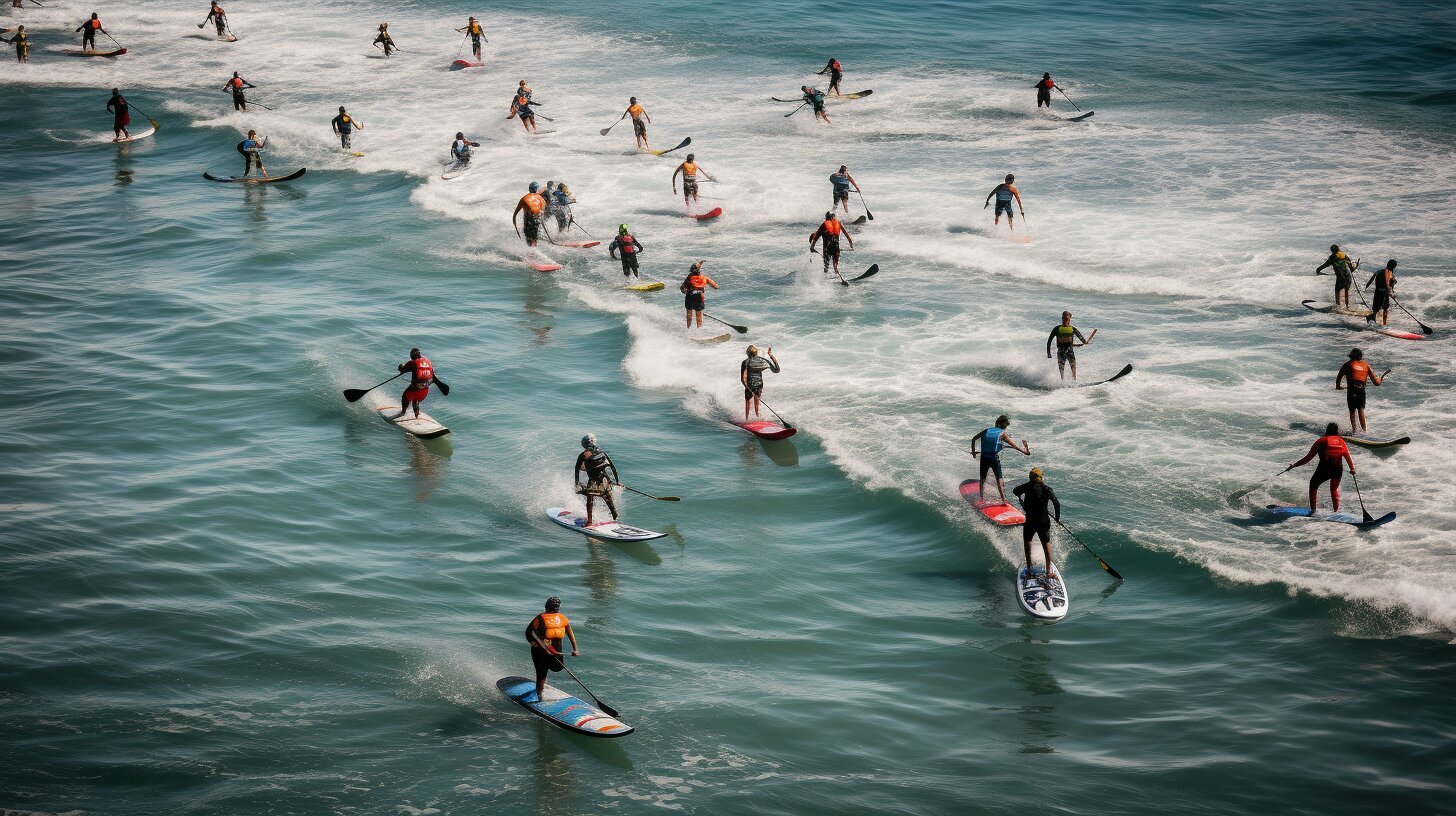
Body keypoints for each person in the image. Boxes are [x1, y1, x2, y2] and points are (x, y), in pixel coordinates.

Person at [1289, 423, 1355, 513]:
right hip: (1337, 470)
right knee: (1334, 490)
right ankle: (1336, 511)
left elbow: (1308, 458)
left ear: (1327, 431)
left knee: (1313, 485)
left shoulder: (1321, 441)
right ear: (1336, 432)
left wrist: (1294, 465)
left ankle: (1313, 511)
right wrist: (1352, 469)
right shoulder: (1341, 441)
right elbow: (1347, 456)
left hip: (1324, 470)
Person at [524, 596, 578, 702]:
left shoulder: (555, 618)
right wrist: (575, 649)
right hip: (542, 650)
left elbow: (570, 632)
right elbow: (529, 632)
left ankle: (541, 687)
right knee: (543, 671)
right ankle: (540, 694)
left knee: (551, 670)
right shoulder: (545, 618)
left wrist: (575, 649)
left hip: (550, 650)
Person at [1013, 469, 1061, 584]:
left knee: (1028, 542)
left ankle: (1029, 571)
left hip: (1031, 520)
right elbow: (1056, 503)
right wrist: (1057, 518)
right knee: (1046, 544)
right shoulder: (1047, 489)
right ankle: (1049, 571)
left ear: (1030, 477)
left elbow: (1015, 491)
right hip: (1044, 520)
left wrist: (1021, 500)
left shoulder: (1027, 486)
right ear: (1041, 478)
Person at [970, 415, 1031, 502]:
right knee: (999, 478)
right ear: (1004, 426)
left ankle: (981, 498)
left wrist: (973, 452)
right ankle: (1003, 500)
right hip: (994, 458)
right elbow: (1014, 446)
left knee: (982, 478)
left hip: (984, 458)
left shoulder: (986, 431)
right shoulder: (1003, 434)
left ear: (996, 423)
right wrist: (1025, 452)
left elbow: (973, 439)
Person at [1336, 348, 1384, 433]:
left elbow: (1339, 377)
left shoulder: (1347, 364)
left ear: (1351, 356)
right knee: (1360, 409)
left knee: (1352, 410)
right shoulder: (1366, 365)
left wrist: (1338, 386)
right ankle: (1364, 431)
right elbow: (1376, 383)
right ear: (1360, 356)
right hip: (1361, 390)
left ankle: (1354, 431)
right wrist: (1381, 378)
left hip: (1352, 389)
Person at [575, 434, 620, 526]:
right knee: (608, 497)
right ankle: (615, 517)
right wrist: (617, 481)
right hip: (604, 479)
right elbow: (612, 467)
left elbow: (577, 470)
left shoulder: (583, 455)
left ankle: (589, 521)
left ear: (584, 444)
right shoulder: (602, 452)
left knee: (590, 499)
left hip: (593, 480)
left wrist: (577, 483)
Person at [388, 348, 435, 421]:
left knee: (405, 397)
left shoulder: (412, 362)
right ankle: (416, 415)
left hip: (414, 390)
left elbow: (402, 369)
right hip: (425, 391)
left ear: (413, 356)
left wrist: (400, 365)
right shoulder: (429, 362)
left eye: (411, 356)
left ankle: (403, 413)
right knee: (415, 399)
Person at [1047, 310, 1092, 381]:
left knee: (1073, 369)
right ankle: (1062, 382)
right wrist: (1048, 353)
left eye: (1067, 319)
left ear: (1069, 320)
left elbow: (1082, 339)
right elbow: (1049, 341)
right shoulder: (1056, 329)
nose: (1066, 320)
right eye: (1064, 319)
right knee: (1062, 371)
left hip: (1070, 352)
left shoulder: (1073, 329)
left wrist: (1085, 342)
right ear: (1062, 319)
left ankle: (1074, 382)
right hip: (1061, 352)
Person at [741, 345, 781, 420]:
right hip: (759, 384)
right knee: (757, 402)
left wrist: (747, 387)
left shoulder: (745, 362)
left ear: (747, 353)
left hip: (749, 385)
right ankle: (757, 417)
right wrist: (771, 356)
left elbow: (743, 378)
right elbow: (777, 370)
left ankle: (747, 419)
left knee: (747, 402)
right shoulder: (762, 360)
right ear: (756, 353)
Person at [1315, 244, 1359, 309]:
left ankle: (1337, 306)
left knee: (1337, 291)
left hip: (1340, 277)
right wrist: (1357, 266)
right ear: (1338, 249)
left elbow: (1325, 265)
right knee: (1346, 290)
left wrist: (1318, 270)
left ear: (1332, 251)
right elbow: (1351, 269)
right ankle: (1347, 306)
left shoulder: (1332, 257)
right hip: (1348, 276)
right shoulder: (1344, 256)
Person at [809, 212, 853, 277]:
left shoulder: (824, 224)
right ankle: (839, 277)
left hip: (827, 249)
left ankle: (824, 280)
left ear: (826, 217)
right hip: (836, 247)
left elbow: (816, 236)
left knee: (826, 267)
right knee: (835, 265)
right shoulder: (839, 223)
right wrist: (851, 244)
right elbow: (846, 234)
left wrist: (812, 246)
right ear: (833, 217)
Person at [680, 261, 719, 329]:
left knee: (689, 315)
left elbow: (682, 288)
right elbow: (716, 287)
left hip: (690, 297)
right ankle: (699, 331)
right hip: (699, 297)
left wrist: (684, 291)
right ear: (699, 271)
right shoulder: (705, 278)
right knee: (698, 316)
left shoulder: (689, 277)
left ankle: (688, 330)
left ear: (692, 271)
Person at [512, 182, 547, 247]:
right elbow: (543, 212)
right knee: (534, 235)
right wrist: (542, 221)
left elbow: (515, 213)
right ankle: (534, 246)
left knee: (527, 234)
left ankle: (530, 246)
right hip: (536, 217)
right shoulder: (541, 198)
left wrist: (514, 222)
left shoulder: (524, 198)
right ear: (537, 190)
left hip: (529, 218)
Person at [1364, 259, 1396, 326]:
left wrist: (1367, 285)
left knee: (1376, 308)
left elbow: (1372, 278)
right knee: (1385, 308)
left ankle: (1373, 320)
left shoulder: (1380, 271)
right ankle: (1384, 324)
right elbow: (1389, 284)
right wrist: (1391, 292)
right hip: (1384, 293)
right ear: (1393, 267)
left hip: (1378, 292)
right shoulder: (1389, 273)